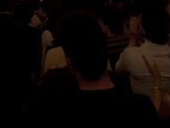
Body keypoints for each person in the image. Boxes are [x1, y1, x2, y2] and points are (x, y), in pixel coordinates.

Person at [32, 11, 160, 123]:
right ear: (105, 53)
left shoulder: (53, 105)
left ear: (69, 62)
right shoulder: (140, 106)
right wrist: (156, 84)